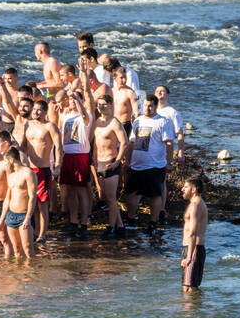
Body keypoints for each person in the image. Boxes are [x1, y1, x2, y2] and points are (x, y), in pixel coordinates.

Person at [124, 94, 176, 233]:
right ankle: (131, 218)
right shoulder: (138, 121)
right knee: (131, 194)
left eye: (150, 106)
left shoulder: (163, 121)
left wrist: (169, 162)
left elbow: (169, 143)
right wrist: (127, 160)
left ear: (155, 106)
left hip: (155, 165)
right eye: (145, 105)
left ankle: (153, 222)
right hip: (136, 165)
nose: (147, 108)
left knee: (155, 195)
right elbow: (132, 142)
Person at [58, 76, 94, 238]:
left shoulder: (86, 116)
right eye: (71, 99)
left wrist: (77, 98)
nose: (72, 101)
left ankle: (84, 223)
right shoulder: (66, 116)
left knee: (81, 190)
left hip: (80, 156)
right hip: (68, 155)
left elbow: (84, 113)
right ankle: (73, 221)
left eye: (76, 99)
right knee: (70, 190)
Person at [20, 98, 60, 243]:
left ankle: (42, 234)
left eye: (39, 110)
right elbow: (23, 146)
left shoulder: (50, 126)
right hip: (30, 169)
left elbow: (58, 147)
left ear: (45, 112)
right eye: (34, 109)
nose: (36, 112)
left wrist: (58, 165)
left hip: (43, 169)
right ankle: (36, 231)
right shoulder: (27, 124)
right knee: (33, 202)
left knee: (42, 204)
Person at [91, 93, 129, 238]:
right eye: (99, 104)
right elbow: (96, 142)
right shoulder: (97, 121)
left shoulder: (114, 122)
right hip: (99, 162)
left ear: (111, 105)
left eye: (104, 104)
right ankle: (120, 226)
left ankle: (111, 228)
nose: (101, 107)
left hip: (110, 162)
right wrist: (94, 158)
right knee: (106, 197)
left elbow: (124, 142)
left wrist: (118, 161)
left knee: (111, 198)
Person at [2, 147, 36, 259]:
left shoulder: (28, 173)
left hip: (24, 215)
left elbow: (32, 197)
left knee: (28, 249)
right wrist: (2, 219)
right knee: (16, 249)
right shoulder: (11, 175)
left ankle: (31, 270)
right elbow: (7, 199)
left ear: (11, 160)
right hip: (11, 215)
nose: (5, 164)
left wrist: (28, 217)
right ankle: (18, 270)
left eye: (6, 161)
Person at [180, 175, 207, 291]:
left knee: (188, 289)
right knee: (191, 287)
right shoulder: (198, 204)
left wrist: (189, 257)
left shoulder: (196, 206)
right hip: (194, 248)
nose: (182, 189)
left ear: (194, 189)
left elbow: (192, 233)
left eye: (186, 187)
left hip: (193, 249)